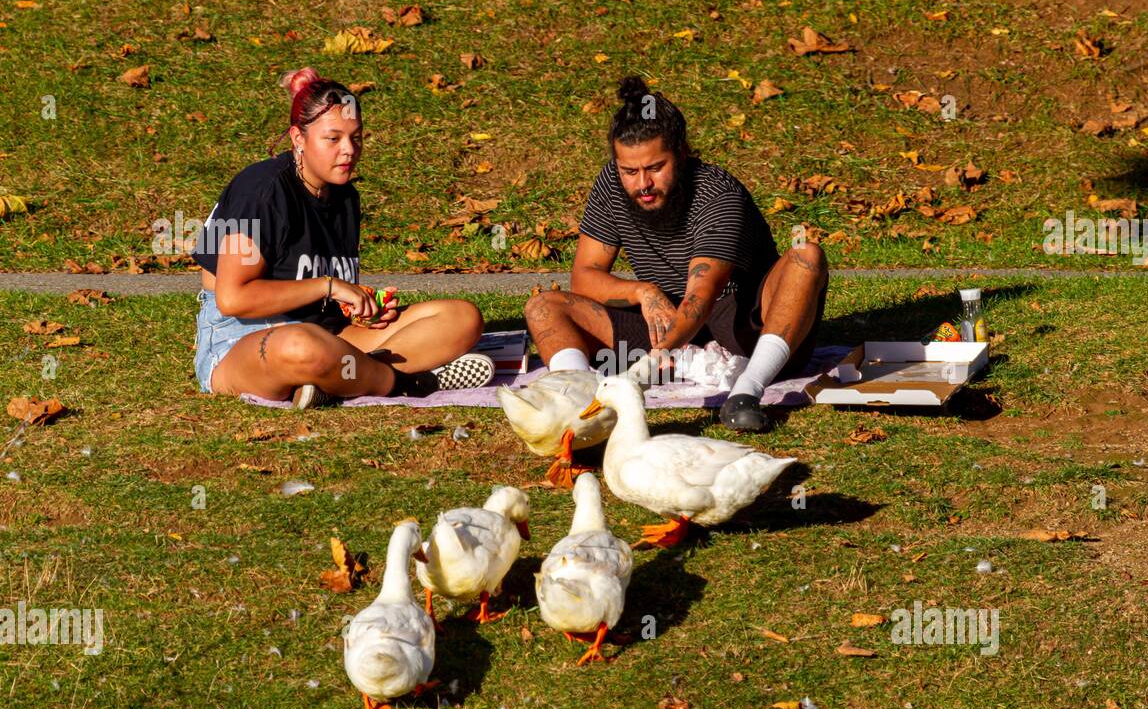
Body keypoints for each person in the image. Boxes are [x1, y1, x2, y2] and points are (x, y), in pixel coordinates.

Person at [523, 76, 828, 433]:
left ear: (681, 154)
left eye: (655, 168)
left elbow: (701, 298)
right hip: (663, 321)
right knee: (544, 307)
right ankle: (577, 402)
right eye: (629, 171)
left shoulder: (718, 194)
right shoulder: (609, 183)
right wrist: (642, 291)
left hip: (742, 324)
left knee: (806, 254)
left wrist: (644, 371)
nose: (642, 184)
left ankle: (746, 392)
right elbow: (585, 275)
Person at [191, 67, 494, 408]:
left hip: (330, 338)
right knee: (300, 346)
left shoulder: (344, 195)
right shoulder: (262, 191)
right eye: (333, 139)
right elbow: (234, 299)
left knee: (461, 318)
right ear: (298, 139)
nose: (349, 150)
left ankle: (341, 378)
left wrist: (360, 309)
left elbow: (319, 293)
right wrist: (328, 286)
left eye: (357, 137)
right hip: (243, 339)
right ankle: (408, 381)